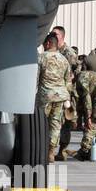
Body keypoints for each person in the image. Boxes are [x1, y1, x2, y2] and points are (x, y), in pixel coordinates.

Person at [37, 33, 71, 162]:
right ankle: (51, 152)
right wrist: (68, 97)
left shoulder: (41, 58)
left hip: (45, 96)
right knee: (55, 125)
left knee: (41, 124)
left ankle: (41, 150)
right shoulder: (64, 60)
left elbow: (35, 78)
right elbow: (68, 81)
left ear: (47, 44)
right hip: (61, 96)